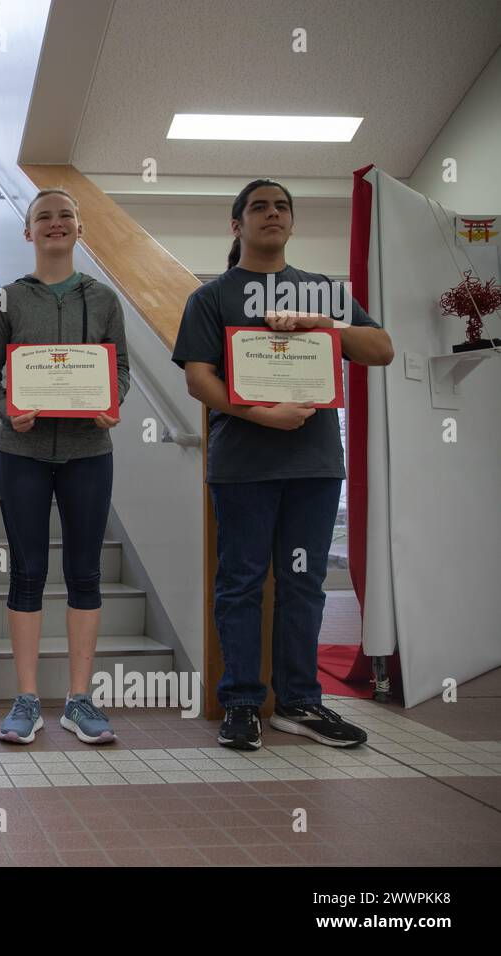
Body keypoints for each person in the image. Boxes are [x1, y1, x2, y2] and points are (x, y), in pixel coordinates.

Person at [171, 178, 394, 750]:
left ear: (292, 223)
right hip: (243, 464)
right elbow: (200, 379)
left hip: (314, 466)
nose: (272, 213)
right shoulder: (210, 298)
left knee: (303, 583)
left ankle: (299, 704)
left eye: (282, 207)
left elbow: (382, 349)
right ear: (237, 224)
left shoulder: (322, 292)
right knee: (242, 583)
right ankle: (242, 703)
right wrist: (261, 416)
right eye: (259, 207)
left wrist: (325, 326)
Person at [0, 187, 130, 745]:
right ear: (29, 232)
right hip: (22, 454)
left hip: (89, 453)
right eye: (44, 217)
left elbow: (121, 372)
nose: (56, 223)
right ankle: (26, 700)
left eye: (66, 216)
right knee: (28, 570)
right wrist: (6, 408)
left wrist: (112, 404)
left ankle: (79, 699)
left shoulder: (105, 300)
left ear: (80, 229)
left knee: (85, 571)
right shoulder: (6, 299)